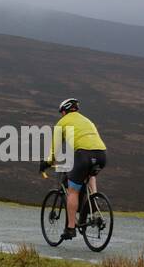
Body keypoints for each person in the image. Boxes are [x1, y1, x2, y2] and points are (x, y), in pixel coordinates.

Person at [39, 98, 107, 241]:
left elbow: (55, 150)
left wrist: (46, 163)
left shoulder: (62, 123)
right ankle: (94, 199)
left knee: (72, 190)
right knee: (89, 174)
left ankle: (70, 228)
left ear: (64, 111)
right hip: (101, 154)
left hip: (83, 155)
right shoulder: (88, 121)